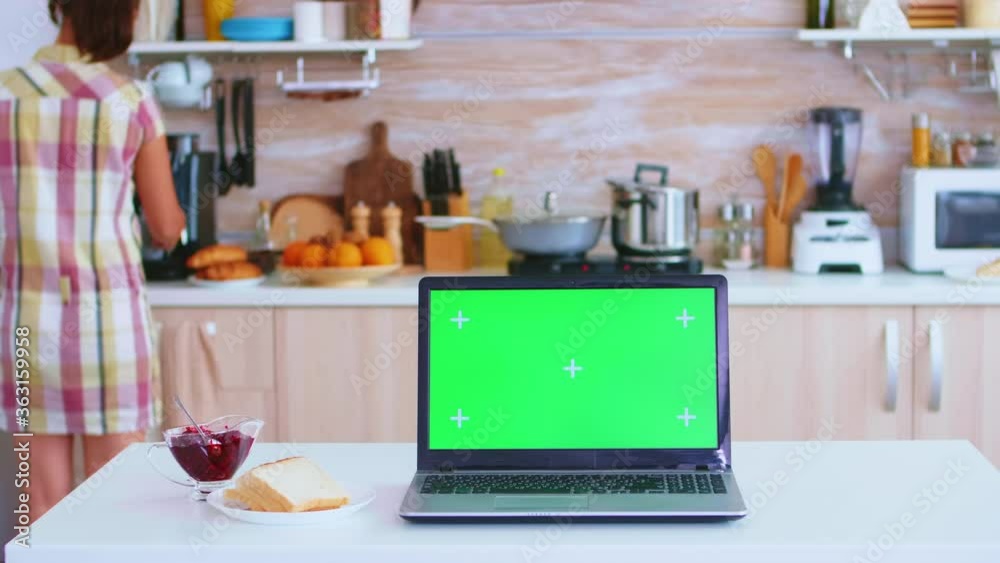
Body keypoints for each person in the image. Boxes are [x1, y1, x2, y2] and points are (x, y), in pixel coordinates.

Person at [0, 0, 186, 520]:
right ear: (126, 14)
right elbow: (166, 227)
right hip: (110, 327)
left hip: (27, 328)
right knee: (116, 508)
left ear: (59, 6)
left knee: (38, 508)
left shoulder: (5, 95)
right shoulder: (130, 101)